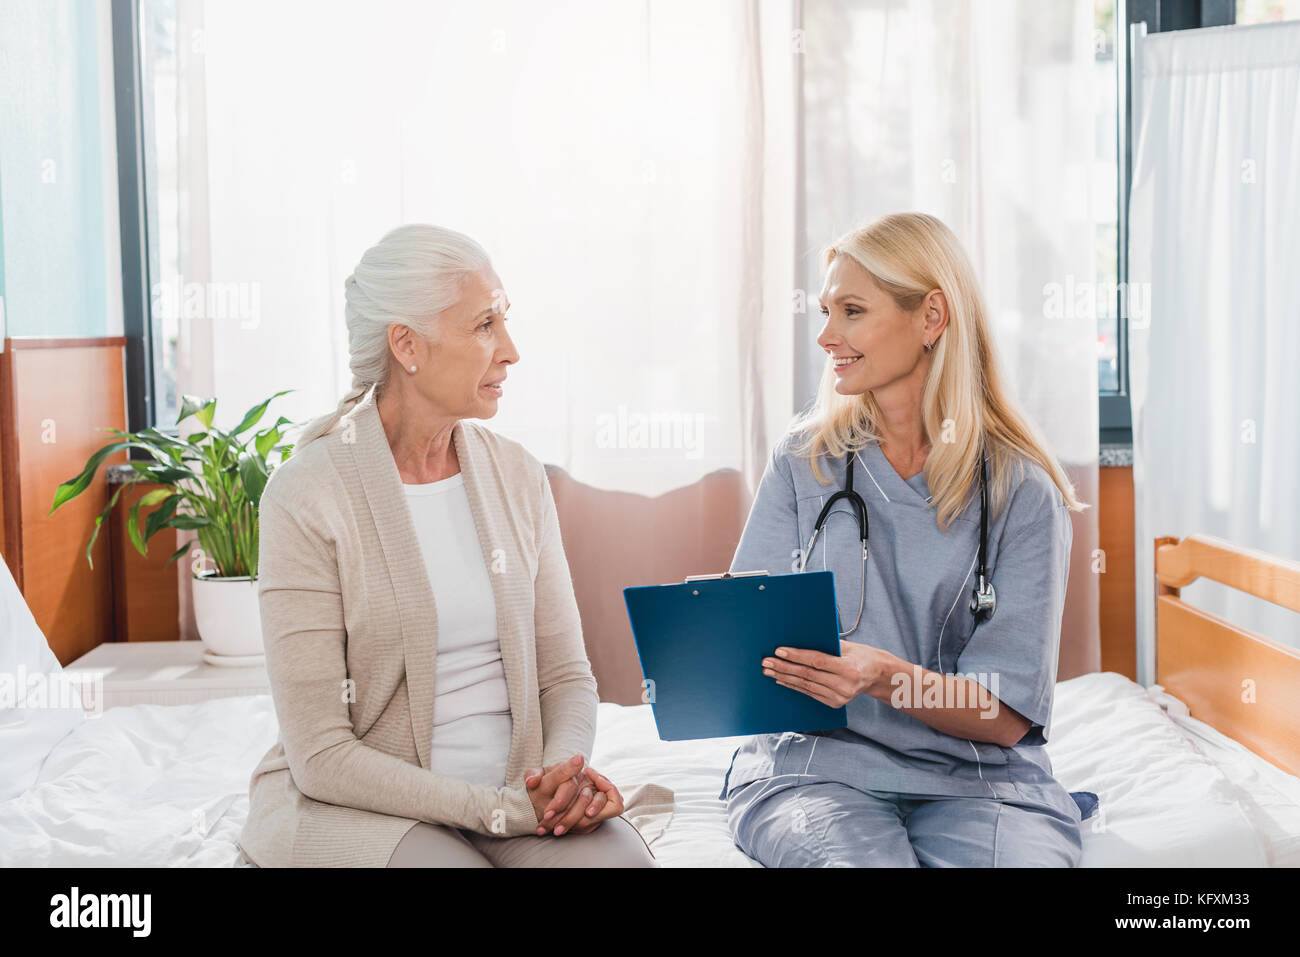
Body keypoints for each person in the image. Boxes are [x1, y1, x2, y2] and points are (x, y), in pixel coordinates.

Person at [236, 224, 658, 867]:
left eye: (504, 320)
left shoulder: (517, 474)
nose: (510, 350)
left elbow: (566, 676)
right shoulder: (307, 495)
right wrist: (499, 809)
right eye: (484, 325)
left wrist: (558, 778)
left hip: (519, 792)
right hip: (371, 807)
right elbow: (321, 755)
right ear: (406, 344)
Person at [721, 212, 1087, 867]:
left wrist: (886, 677)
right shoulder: (804, 462)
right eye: (826, 311)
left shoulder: (1022, 491)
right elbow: (748, 652)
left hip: (980, 781)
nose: (827, 336)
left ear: (931, 318)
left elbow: (1005, 716)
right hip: (819, 768)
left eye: (852, 311)